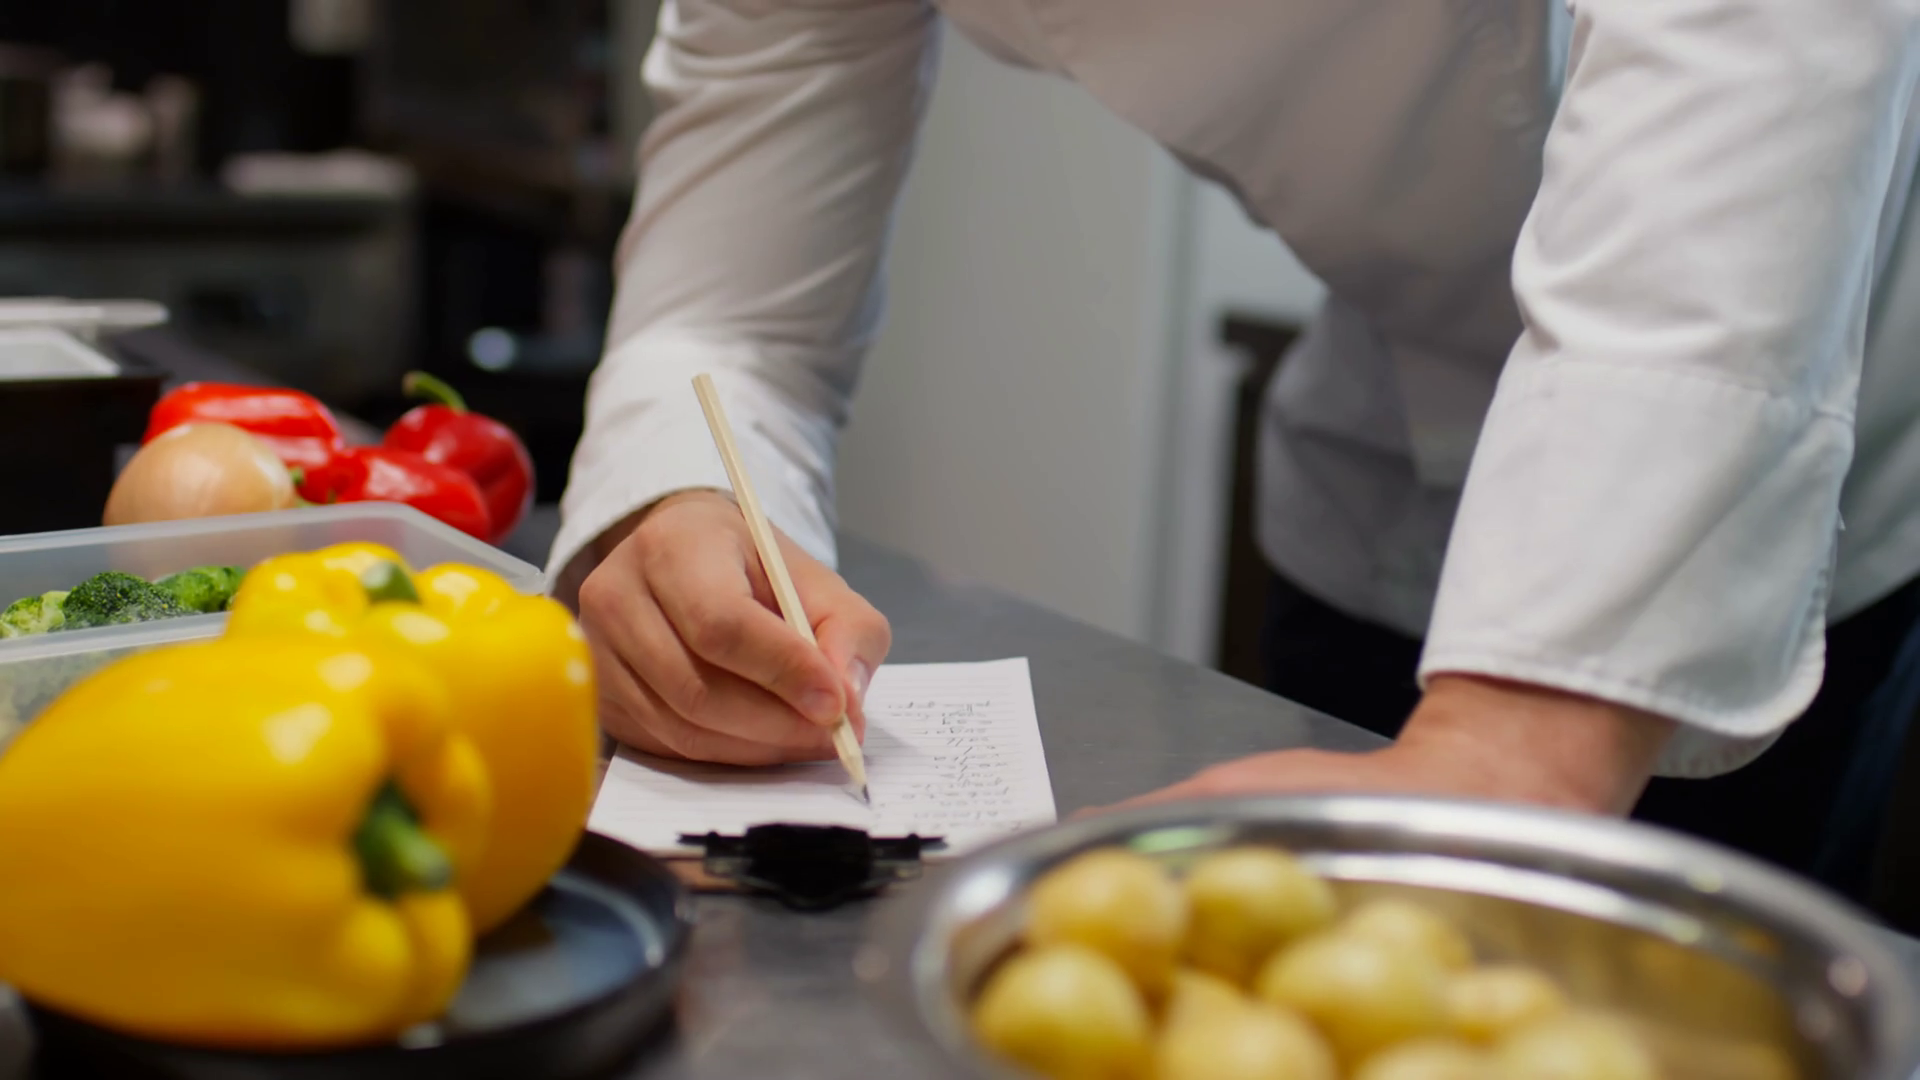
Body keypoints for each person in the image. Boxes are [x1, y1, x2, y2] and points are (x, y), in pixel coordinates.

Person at [548, 0, 1920, 900]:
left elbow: (1763, 44)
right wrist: (673, 501)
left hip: (1800, 434)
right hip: (1388, 448)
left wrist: (1521, 743)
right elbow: (734, 315)